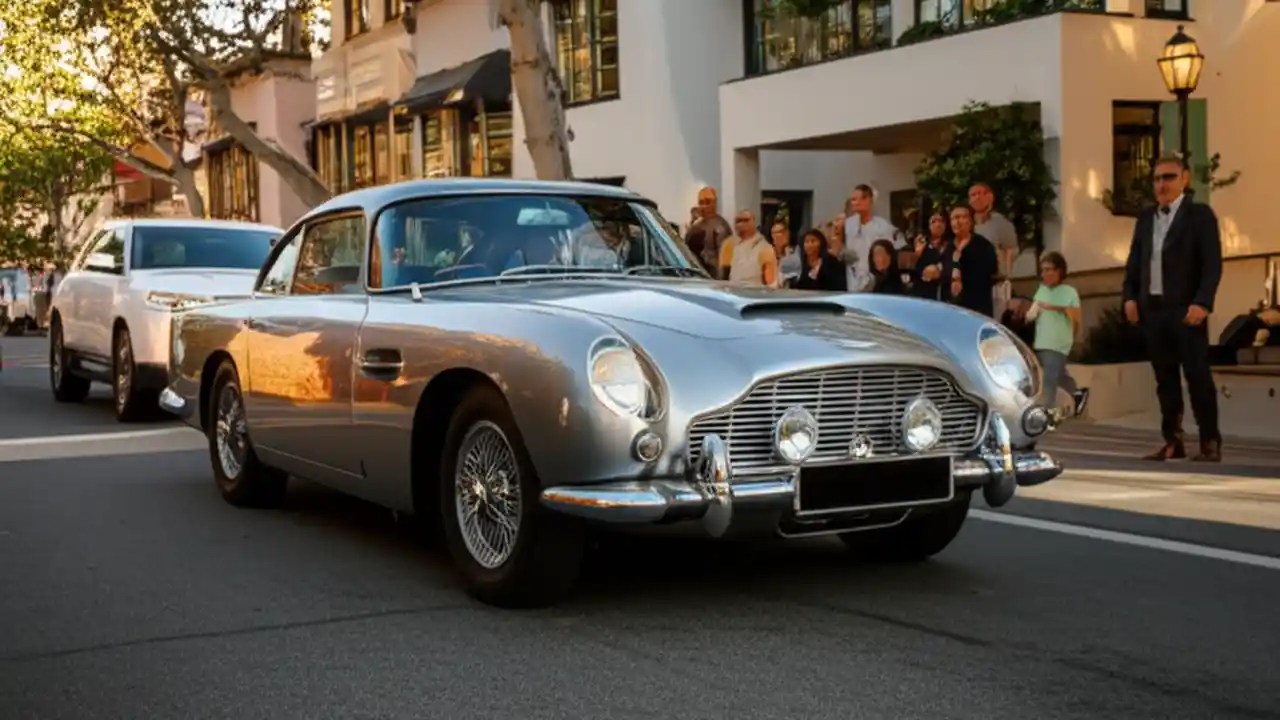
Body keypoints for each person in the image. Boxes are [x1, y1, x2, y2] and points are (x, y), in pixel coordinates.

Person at [1122, 153, 1224, 462]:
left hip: (1187, 310)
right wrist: (1129, 297)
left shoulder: (1200, 216)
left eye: (1168, 177)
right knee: (1164, 380)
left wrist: (1203, 302)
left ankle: (1209, 441)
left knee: (1197, 377)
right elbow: (1135, 262)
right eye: (1157, 179)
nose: (1162, 184)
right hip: (1153, 310)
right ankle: (1172, 440)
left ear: (1184, 179)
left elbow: (1212, 264)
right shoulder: (1146, 218)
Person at [1028, 251, 1088, 420]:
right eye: (1043, 270)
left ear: (1060, 271)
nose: (1045, 274)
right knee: (1057, 374)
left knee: (1049, 378)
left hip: (1058, 342)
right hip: (1041, 341)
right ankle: (1077, 393)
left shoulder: (1069, 292)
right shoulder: (1041, 290)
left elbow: (1075, 315)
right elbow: (1034, 311)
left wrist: (1053, 307)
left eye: (1049, 270)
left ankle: (1045, 414)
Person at [940, 205, 999, 316]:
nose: (958, 222)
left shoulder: (983, 245)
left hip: (978, 308)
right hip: (953, 309)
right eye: (954, 218)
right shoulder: (948, 247)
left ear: (971, 221)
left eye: (962, 217)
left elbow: (992, 274)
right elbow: (943, 274)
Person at [719, 210, 777, 286]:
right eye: (738, 221)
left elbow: (770, 281)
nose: (741, 224)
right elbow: (723, 274)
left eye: (746, 220)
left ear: (754, 222)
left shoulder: (764, 247)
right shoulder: (728, 244)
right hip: (733, 291)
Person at [911, 211, 951, 300]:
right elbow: (911, 269)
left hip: (942, 292)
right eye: (934, 221)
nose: (938, 224)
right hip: (921, 292)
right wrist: (917, 253)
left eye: (941, 221)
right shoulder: (921, 242)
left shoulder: (950, 245)